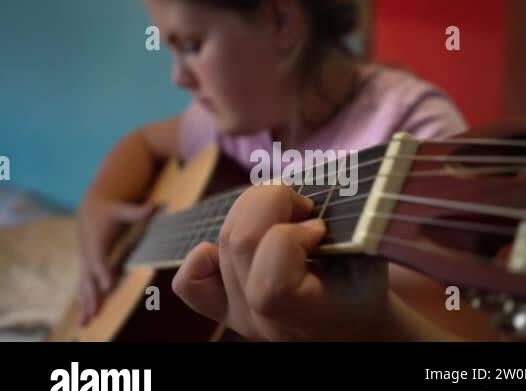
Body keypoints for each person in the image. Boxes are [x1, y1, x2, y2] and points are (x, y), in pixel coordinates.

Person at [80, 0, 498, 340]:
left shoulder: (413, 128)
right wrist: (96, 204)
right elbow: (141, 144)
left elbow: (467, 324)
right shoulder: (226, 123)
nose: (177, 78)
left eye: (190, 45)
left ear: (281, 21)